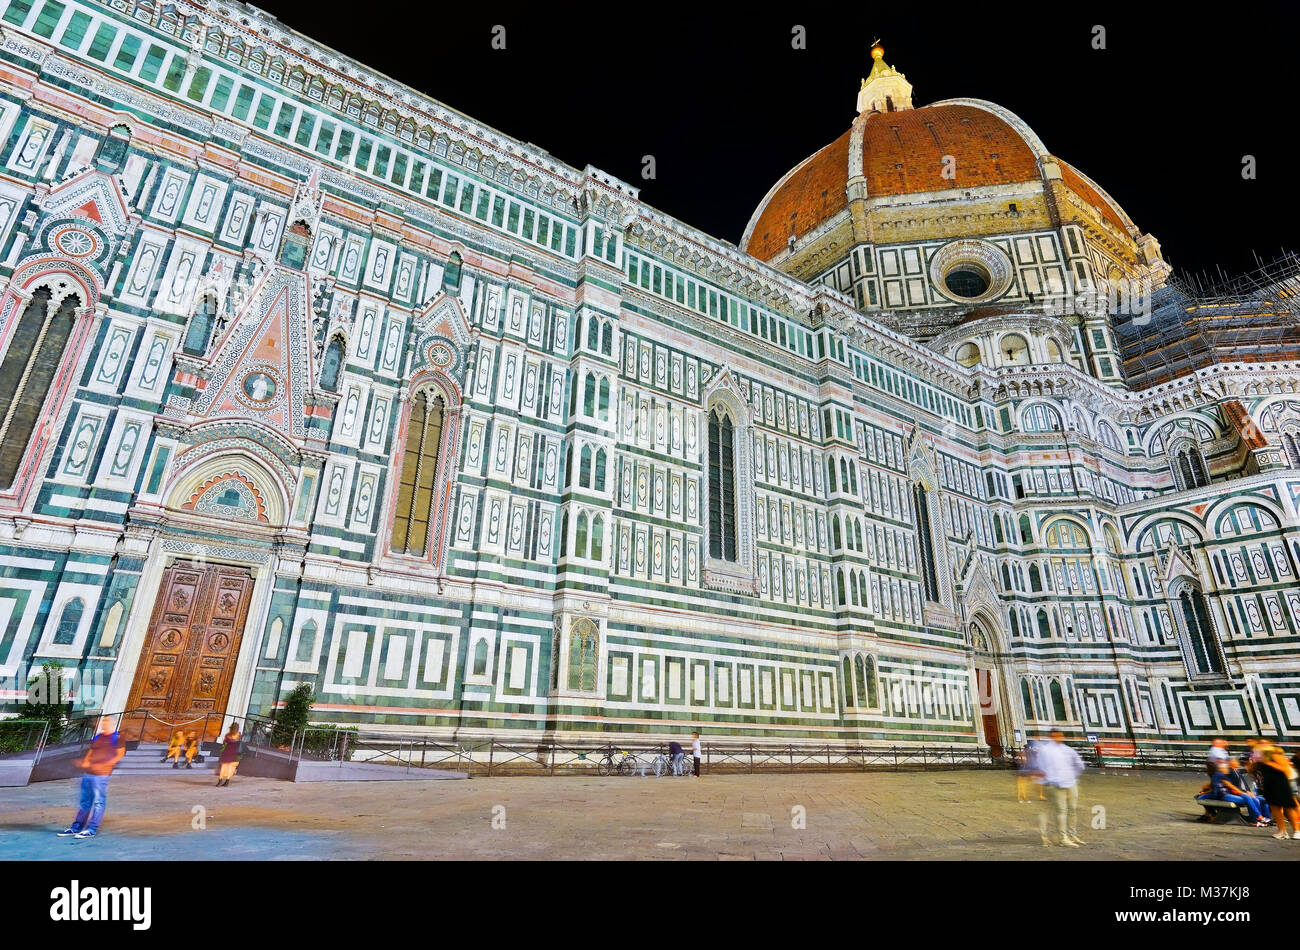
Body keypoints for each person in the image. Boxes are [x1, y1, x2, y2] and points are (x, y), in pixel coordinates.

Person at [57, 719, 125, 839]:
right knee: (85, 802)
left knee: (98, 802)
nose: (103, 724)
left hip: (101, 775)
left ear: (112, 724)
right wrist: (85, 762)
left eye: (106, 722)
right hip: (88, 773)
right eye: (103, 722)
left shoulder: (117, 737)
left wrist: (105, 765)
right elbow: (91, 752)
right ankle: (76, 827)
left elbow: (119, 755)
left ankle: (92, 829)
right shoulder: (98, 737)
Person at [1036, 730, 1086, 847]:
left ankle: (1072, 834)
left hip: (1071, 783)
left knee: (1072, 809)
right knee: (1061, 811)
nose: (1058, 738)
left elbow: (1079, 764)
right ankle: (1062, 838)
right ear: (1051, 737)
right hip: (1055, 784)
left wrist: (1072, 776)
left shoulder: (1067, 749)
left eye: (1059, 735)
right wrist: (1050, 780)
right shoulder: (1045, 750)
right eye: (1055, 736)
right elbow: (1041, 767)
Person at [1197, 760, 1270, 826]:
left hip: (1226, 794)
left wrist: (1245, 792)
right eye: (1225, 768)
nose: (1227, 770)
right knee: (1250, 799)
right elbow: (1226, 787)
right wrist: (1204, 793)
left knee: (1258, 799)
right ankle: (1257, 818)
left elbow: (1229, 786)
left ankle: (1262, 818)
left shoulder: (1225, 774)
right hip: (1224, 795)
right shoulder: (1222, 774)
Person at [1254, 740, 1300, 840]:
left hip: (1281, 785)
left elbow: (1285, 769)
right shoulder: (1262, 757)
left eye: (1263, 744)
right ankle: (1282, 831)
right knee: (1275, 809)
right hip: (1269, 785)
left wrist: (1268, 762)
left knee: (1289, 808)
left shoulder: (1275, 755)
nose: (1260, 745)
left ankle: (1297, 830)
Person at [216, 722, 241, 787]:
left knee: (223, 767)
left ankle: (220, 781)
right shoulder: (239, 735)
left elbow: (224, 742)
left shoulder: (228, 735)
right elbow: (239, 743)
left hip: (227, 752)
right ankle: (227, 781)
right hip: (234, 753)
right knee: (230, 767)